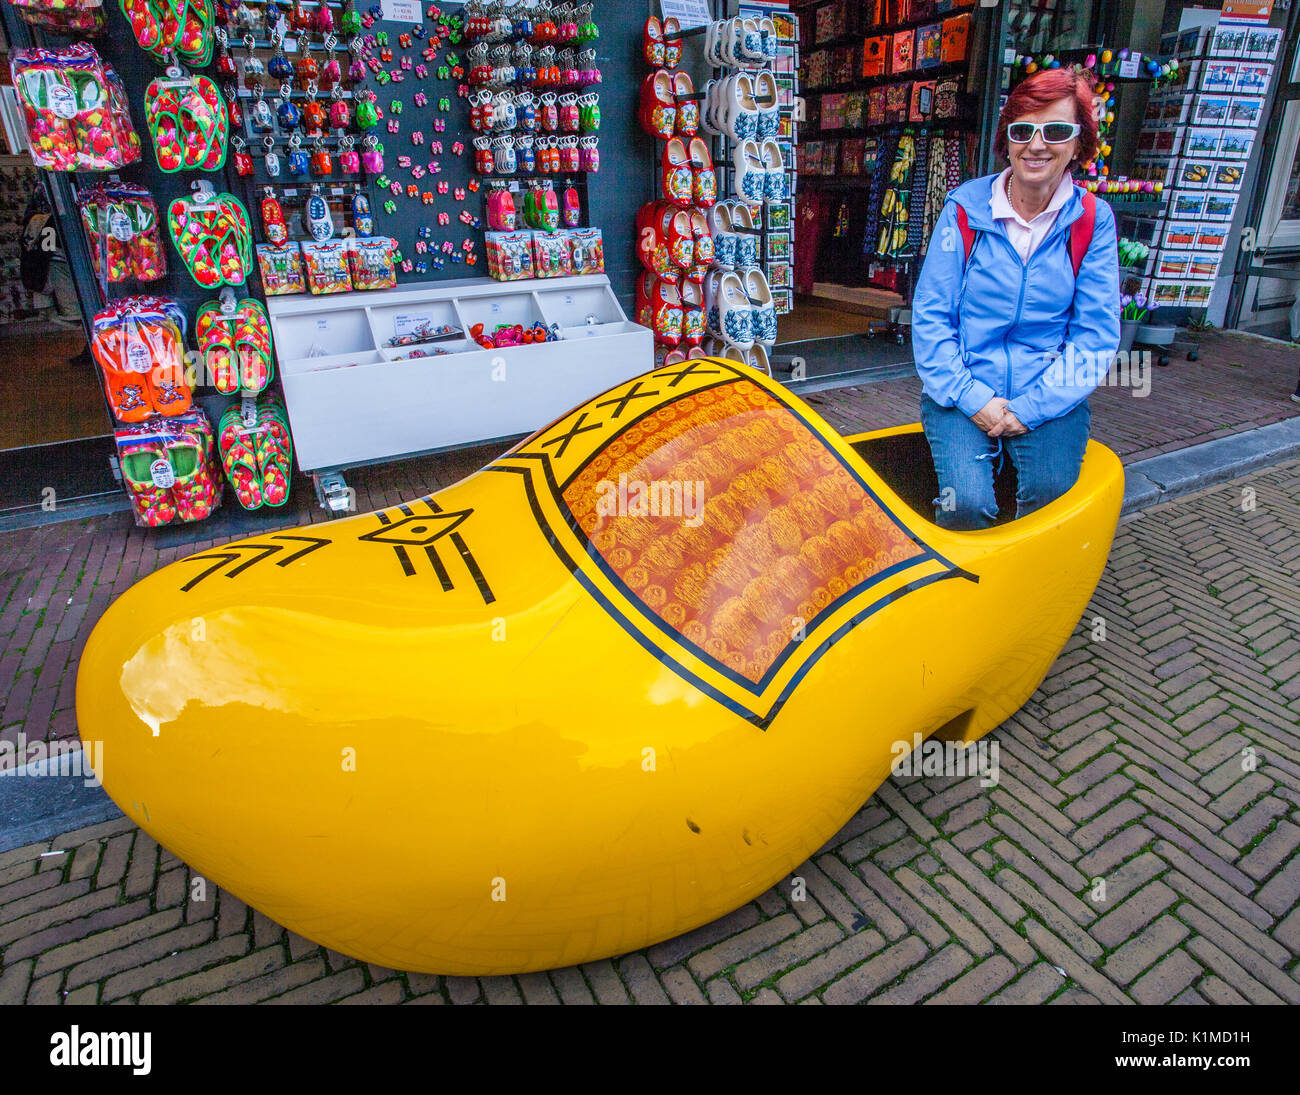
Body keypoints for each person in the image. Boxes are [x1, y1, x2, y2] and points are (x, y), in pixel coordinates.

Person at [911, 68, 1120, 530]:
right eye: (1022, 130)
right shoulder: (964, 210)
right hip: (964, 388)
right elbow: (931, 315)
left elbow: (1094, 336)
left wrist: (1030, 408)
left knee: (1049, 501)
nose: (1037, 145)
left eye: (1056, 130)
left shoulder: (1092, 221)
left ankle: (1033, 595)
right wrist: (973, 398)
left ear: (1079, 143)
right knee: (963, 503)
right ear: (1006, 138)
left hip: (1046, 392)